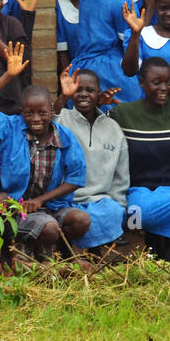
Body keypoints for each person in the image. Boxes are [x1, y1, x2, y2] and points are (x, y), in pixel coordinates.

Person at [0, 48, 91, 260]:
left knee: (81, 220)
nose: (36, 118)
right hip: (15, 208)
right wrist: (8, 75)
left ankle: (54, 249)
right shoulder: (11, 127)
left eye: (42, 113)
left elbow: (76, 178)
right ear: (22, 112)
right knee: (49, 228)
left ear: (51, 112)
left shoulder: (64, 137)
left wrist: (40, 200)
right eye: (29, 113)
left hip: (52, 207)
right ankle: (24, 244)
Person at [109, 57, 170, 261]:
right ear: (141, 82)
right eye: (156, 82)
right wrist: (98, 102)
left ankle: (165, 264)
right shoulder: (123, 113)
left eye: (169, 82)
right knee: (141, 216)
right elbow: (88, 129)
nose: (164, 88)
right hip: (139, 202)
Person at [54, 68, 129, 250]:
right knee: (77, 220)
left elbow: (121, 175)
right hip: (67, 201)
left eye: (90, 90)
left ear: (99, 93)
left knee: (113, 212)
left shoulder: (113, 127)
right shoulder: (62, 118)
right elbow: (49, 120)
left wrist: (119, 205)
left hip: (101, 201)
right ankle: (70, 255)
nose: (83, 94)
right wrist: (63, 96)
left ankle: (93, 258)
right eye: (78, 89)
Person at [69, 0, 141, 101]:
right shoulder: (123, 4)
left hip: (80, 66)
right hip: (108, 70)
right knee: (134, 100)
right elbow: (128, 46)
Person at [122, 0, 170, 90]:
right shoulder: (143, 35)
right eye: (163, 8)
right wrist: (135, 35)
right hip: (150, 105)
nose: (169, 13)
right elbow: (129, 71)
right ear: (156, 6)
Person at [57, 0, 96, 78]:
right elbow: (62, 54)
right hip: (74, 79)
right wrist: (70, 81)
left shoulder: (102, 5)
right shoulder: (61, 6)